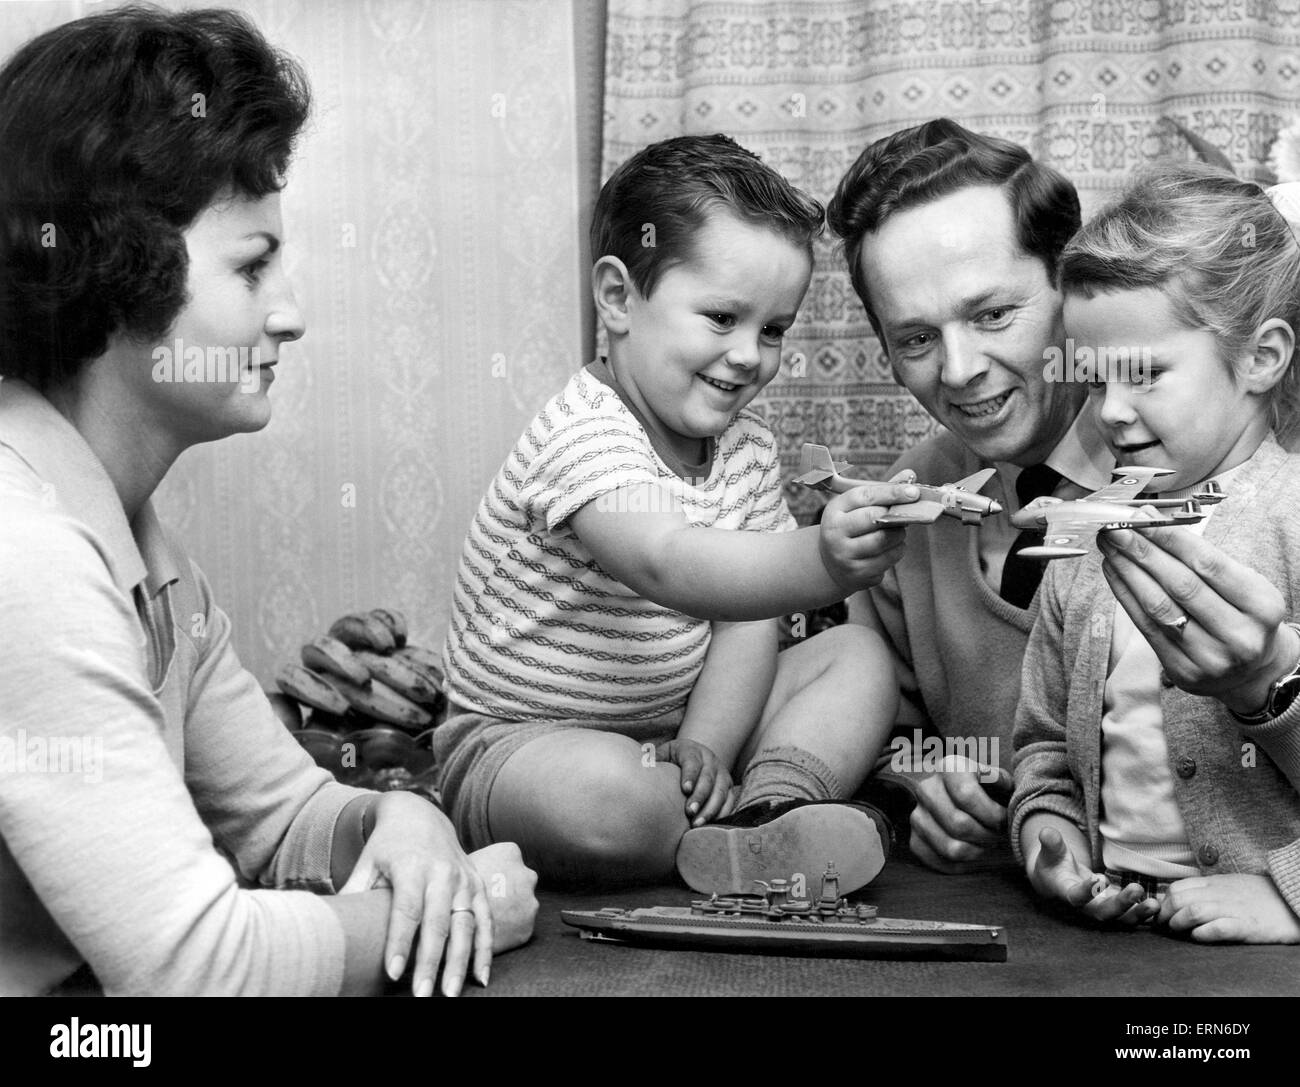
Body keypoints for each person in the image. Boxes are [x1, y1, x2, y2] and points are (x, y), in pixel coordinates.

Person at [0, 6, 536, 997]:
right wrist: (464, 912)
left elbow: (285, 815)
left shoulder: (140, 545)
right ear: (114, 269)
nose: (290, 314)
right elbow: (198, 972)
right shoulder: (23, 553)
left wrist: (401, 822)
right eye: (251, 265)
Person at [437, 134, 917, 894]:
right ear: (620, 298)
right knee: (613, 799)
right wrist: (821, 562)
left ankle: (767, 811)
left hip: (682, 727)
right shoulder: (585, 433)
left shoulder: (747, 444)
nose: (748, 355)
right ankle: (726, 821)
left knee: (856, 658)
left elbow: (747, 618)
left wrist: (705, 747)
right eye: (722, 317)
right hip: (526, 743)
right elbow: (673, 561)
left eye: (773, 330)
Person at [1011, 163, 1300, 942]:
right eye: (1094, 377)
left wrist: (1290, 895)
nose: (1109, 411)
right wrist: (1053, 844)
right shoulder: (1081, 539)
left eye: (1142, 374)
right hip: (1114, 945)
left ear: (1261, 357)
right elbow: (1042, 748)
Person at [826, 118, 1111, 872]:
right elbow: (879, 721)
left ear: (1070, 290)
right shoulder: (905, 508)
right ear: (885, 354)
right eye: (917, 338)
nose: (958, 371)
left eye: (992, 315)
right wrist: (919, 778)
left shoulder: (1203, 467)